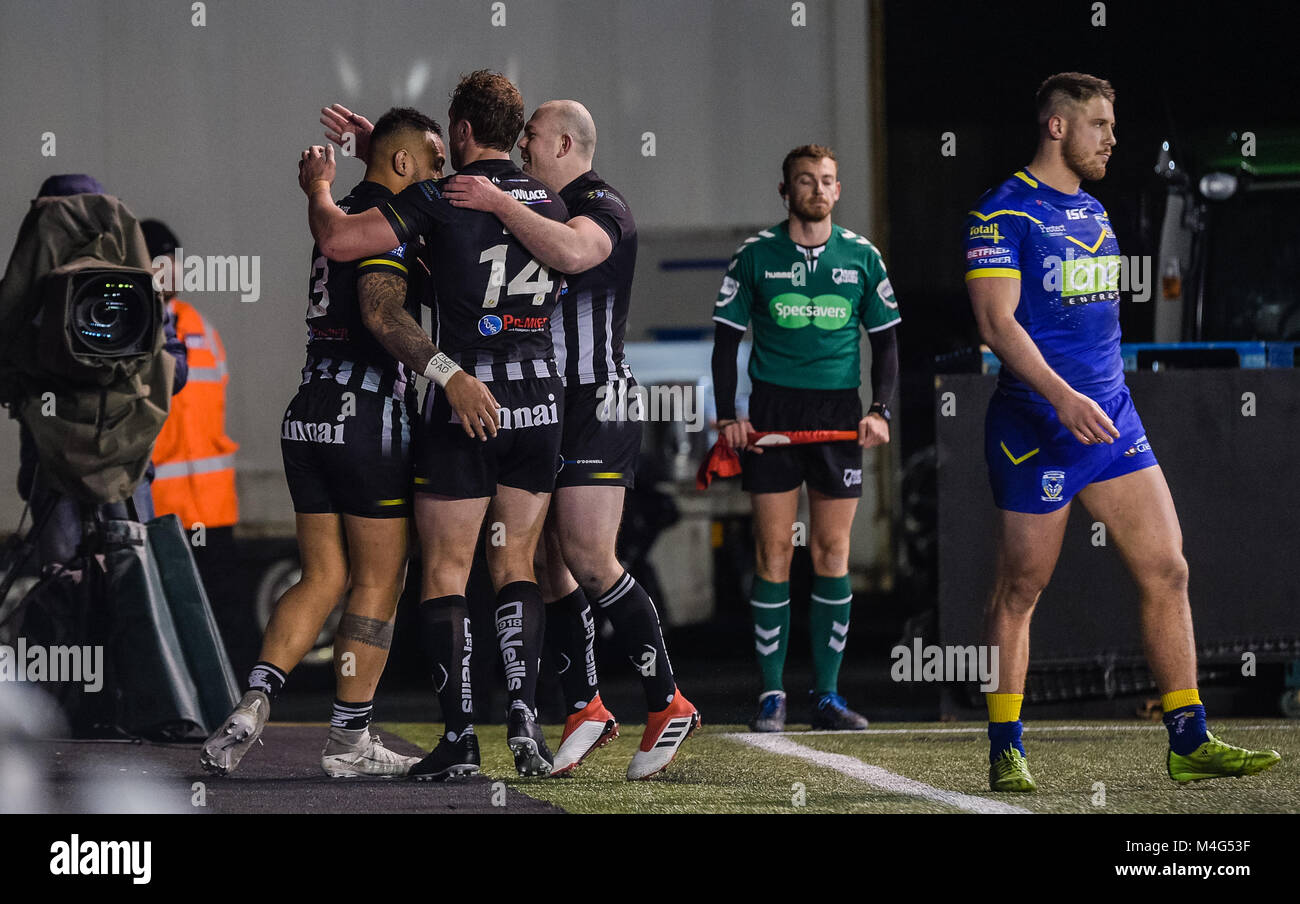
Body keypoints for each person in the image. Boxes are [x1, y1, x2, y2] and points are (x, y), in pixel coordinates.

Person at [964, 72, 1280, 791]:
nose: (1112, 137)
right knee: (1019, 590)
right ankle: (1006, 746)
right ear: (1057, 127)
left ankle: (1188, 737)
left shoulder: (1097, 213)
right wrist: (1063, 397)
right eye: (1100, 124)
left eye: (1112, 124)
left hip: (1111, 424)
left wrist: (1096, 398)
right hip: (1037, 428)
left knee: (1169, 567)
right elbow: (996, 325)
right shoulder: (1001, 213)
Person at [300, 71, 570, 778]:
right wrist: (375, 148)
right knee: (517, 567)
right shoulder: (552, 203)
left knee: (446, 573)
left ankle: (457, 739)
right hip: (539, 404)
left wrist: (322, 188)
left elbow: (340, 242)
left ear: (460, 131)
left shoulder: (440, 196)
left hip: (464, 401)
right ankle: (525, 722)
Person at [439, 99, 700, 779]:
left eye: (531, 138)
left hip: (594, 399)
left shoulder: (598, 202)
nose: (522, 148)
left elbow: (575, 251)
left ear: (563, 142)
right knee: (547, 559)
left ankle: (666, 698)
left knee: (588, 555)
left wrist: (498, 202)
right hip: (550, 399)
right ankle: (584, 704)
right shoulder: (542, 198)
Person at [200, 108, 454, 779]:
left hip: (309, 409)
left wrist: (329, 180)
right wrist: (448, 377)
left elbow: (347, 236)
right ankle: (349, 741)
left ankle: (254, 700)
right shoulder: (389, 227)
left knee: (323, 575)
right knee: (378, 579)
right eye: (434, 161)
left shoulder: (343, 211)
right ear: (404, 163)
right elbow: (380, 309)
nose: (441, 177)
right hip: (368, 411)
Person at [710, 144, 900, 732]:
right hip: (773, 415)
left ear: (838, 191)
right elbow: (725, 343)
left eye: (827, 181)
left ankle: (827, 697)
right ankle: (772, 695)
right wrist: (727, 417)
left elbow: (887, 344)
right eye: (805, 181)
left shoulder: (862, 257)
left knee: (831, 554)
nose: (818, 189)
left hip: (839, 415)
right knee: (773, 554)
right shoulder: (754, 257)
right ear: (785, 190)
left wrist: (880, 410)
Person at [16, 175, 188, 567]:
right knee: (73, 577)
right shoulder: (24, 299)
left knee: (131, 573)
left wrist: (131, 358)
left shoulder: (133, 289)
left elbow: (175, 371)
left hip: (117, 463)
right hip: (61, 463)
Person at [141, 219, 240, 610]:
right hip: (158, 513)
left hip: (213, 511)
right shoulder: (130, 326)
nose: (172, 269)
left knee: (225, 620)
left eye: (175, 260)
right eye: (160, 261)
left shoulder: (200, 326)